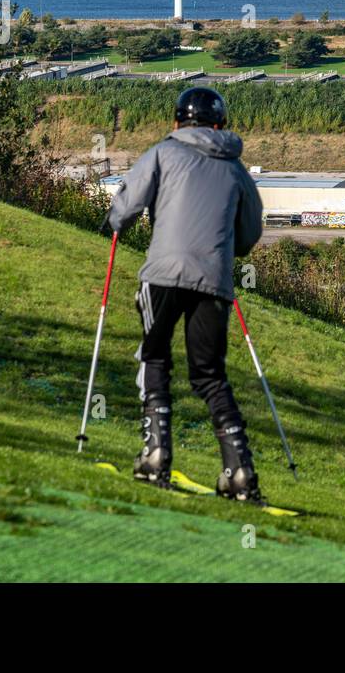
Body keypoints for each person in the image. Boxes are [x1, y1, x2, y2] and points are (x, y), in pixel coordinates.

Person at [107, 87, 265, 502]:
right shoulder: (237, 171)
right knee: (210, 375)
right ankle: (239, 472)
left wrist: (117, 221)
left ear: (177, 122)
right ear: (221, 126)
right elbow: (248, 237)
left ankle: (156, 454)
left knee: (154, 355)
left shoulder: (162, 153)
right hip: (213, 282)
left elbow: (124, 210)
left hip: (161, 274)